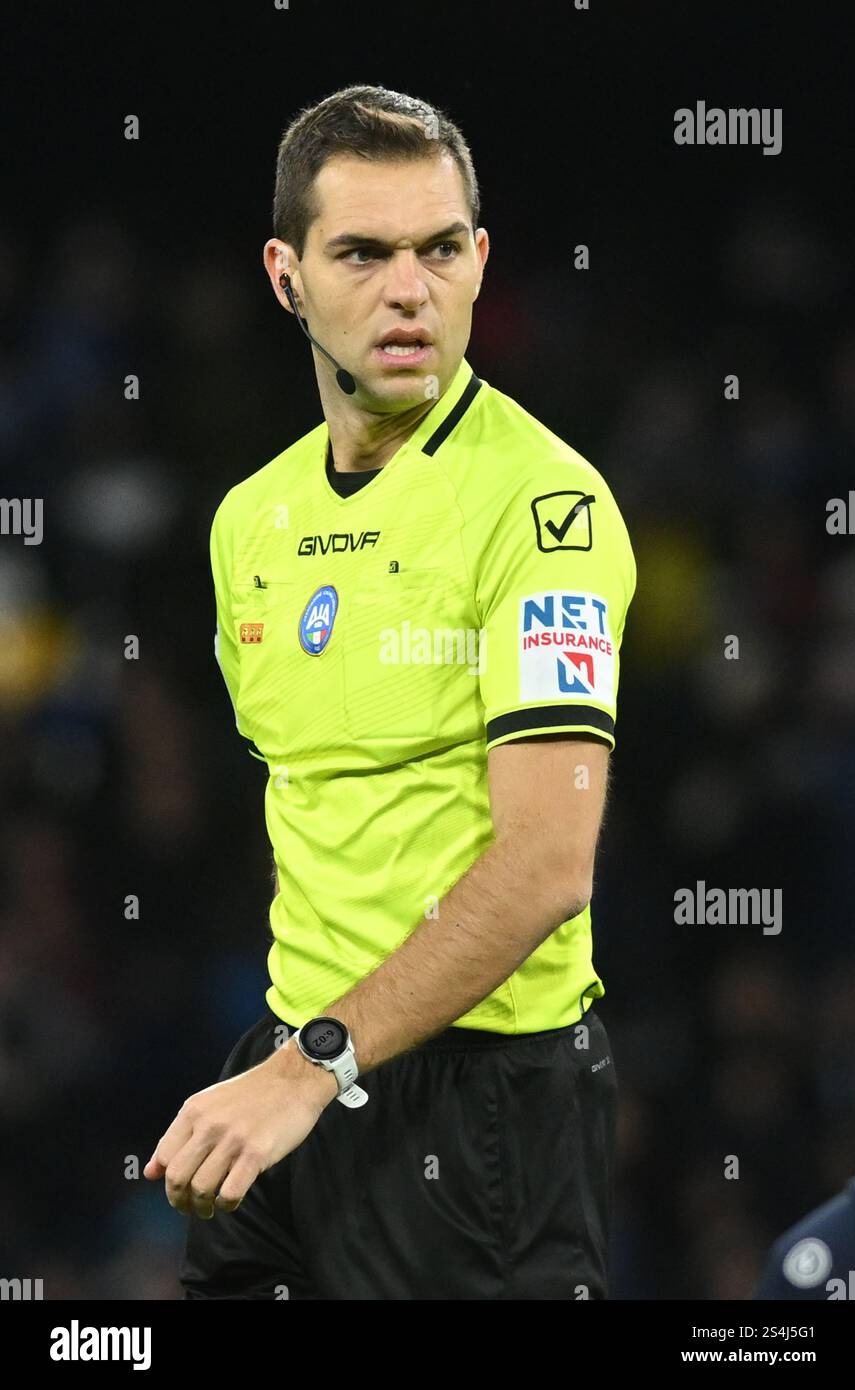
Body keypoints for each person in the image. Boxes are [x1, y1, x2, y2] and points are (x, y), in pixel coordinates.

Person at [144, 84, 637, 1301]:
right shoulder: (247, 521)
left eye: (437, 250)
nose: (407, 289)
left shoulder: (544, 511)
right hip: (295, 1077)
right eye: (360, 253)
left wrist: (314, 1063)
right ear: (285, 275)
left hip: (481, 1111)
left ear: (478, 262)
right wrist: (291, 1060)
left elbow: (544, 868)